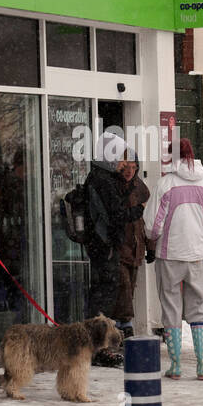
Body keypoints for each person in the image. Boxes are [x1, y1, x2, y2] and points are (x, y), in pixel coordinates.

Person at [144, 138, 203, 379]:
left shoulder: (165, 184)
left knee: (171, 306)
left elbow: (153, 225)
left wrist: (151, 239)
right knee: (199, 307)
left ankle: (176, 365)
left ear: (171, 157)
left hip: (169, 253)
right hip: (196, 253)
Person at [84, 130, 135, 366]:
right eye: (120, 157)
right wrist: (137, 210)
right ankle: (98, 346)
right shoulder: (104, 181)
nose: (124, 162)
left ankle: (95, 344)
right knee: (104, 296)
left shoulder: (96, 178)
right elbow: (116, 215)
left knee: (101, 294)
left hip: (99, 245)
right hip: (105, 247)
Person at [113, 154, 150, 339]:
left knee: (129, 287)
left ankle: (121, 326)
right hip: (120, 245)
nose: (129, 171)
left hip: (136, 245)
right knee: (123, 286)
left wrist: (149, 245)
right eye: (126, 166)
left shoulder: (140, 188)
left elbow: (145, 220)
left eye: (134, 167)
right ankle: (124, 326)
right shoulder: (114, 186)